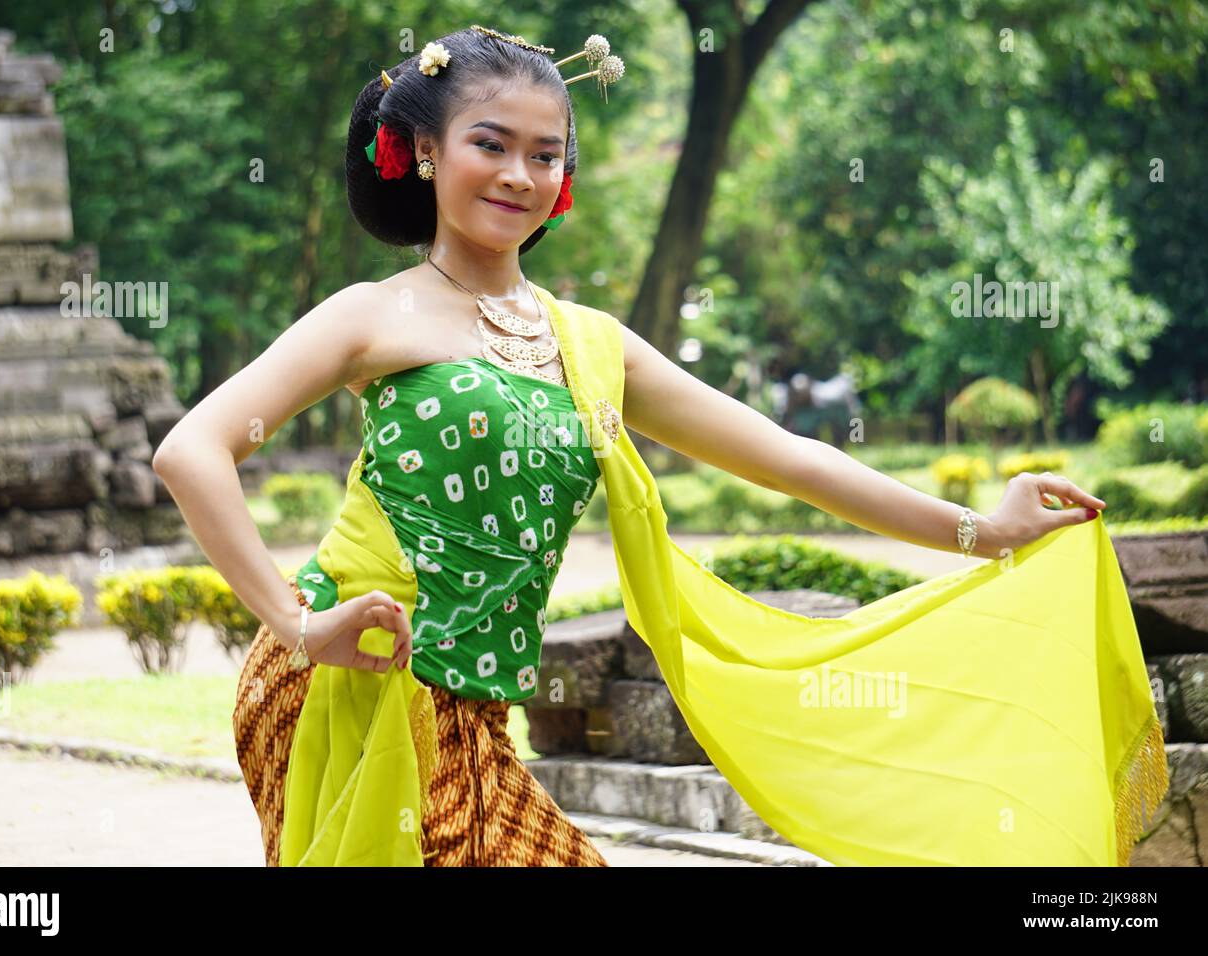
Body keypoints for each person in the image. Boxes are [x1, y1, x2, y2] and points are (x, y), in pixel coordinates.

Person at [153, 25, 1139, 868]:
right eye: (490, 144)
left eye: (546, 155)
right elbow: (192, 450)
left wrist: (983, 530)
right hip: (348, 677)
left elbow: (789, 456)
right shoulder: (372, 317)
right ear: (420, 152)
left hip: (471, 712)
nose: (518, 174)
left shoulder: (590, 344)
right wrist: (297, 624)